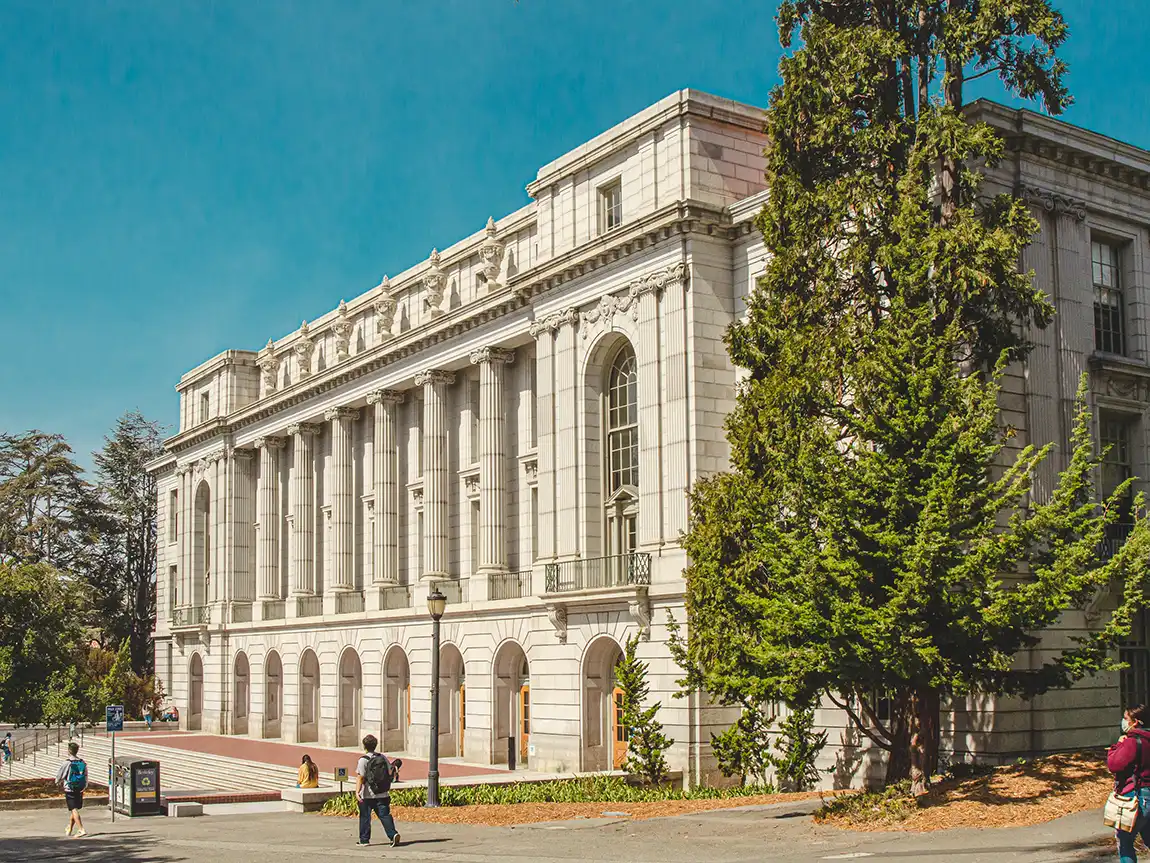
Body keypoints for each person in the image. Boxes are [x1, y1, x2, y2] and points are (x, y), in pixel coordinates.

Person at [1109, 704, 1150, 862]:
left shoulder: (1132, 742)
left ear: (1136, 722)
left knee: (1125, 841)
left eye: (1126, 719)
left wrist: (1117, 746)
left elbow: (1114, 764)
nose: (1123, 722)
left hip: (1136, 796)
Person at [354, 734, 400, 848]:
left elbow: (361, 777)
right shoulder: (382, 757)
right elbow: (390, 772)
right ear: (376, 745)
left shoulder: (363, 760)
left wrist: (357, 792)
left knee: (365, 817)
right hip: (382, 793)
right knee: (385, 815)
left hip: (367, 794)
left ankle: (364, 840)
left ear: (364, 746)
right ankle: (393, 834)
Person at [55, 740, 88, 838]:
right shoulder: (82, 762)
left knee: (73, 809)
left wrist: (57, 782)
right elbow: (85, 774)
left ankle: (81, 829)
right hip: (80, 787)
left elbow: (60, 774)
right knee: (75, 808)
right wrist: (85, 785)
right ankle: (70, 827)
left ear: (69, 751)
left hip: (70, 787)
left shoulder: (67, 762)